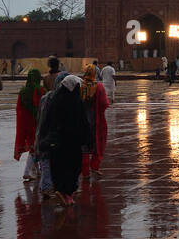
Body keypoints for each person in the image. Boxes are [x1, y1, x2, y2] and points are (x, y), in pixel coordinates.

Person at [36, 74, 93, 208]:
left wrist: (44, 138)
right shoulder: (76, 102)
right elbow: (84, 123)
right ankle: (68, 195)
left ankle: (63, 193)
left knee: (59, 169)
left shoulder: (55, 100)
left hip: (58, 145)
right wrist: (88, 140)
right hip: (73, 144)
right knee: (73, 169)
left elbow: (46, 122)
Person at [80, 64, 110, 178]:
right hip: (96, 120)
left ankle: (85, 172)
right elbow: (104, 104)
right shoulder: (99, 87)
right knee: (98, 143)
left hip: (82, 120)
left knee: (84, 147)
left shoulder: (80, 86)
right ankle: (95, 167)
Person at [14, 68, 44, 181]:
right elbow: (42, 107)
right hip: (36, 123)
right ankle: (26, 172)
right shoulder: (40, 90)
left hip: (26, 123)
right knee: (35, 148)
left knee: (34, 147)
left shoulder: (23, 92)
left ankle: (38, 170)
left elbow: (19, 109)